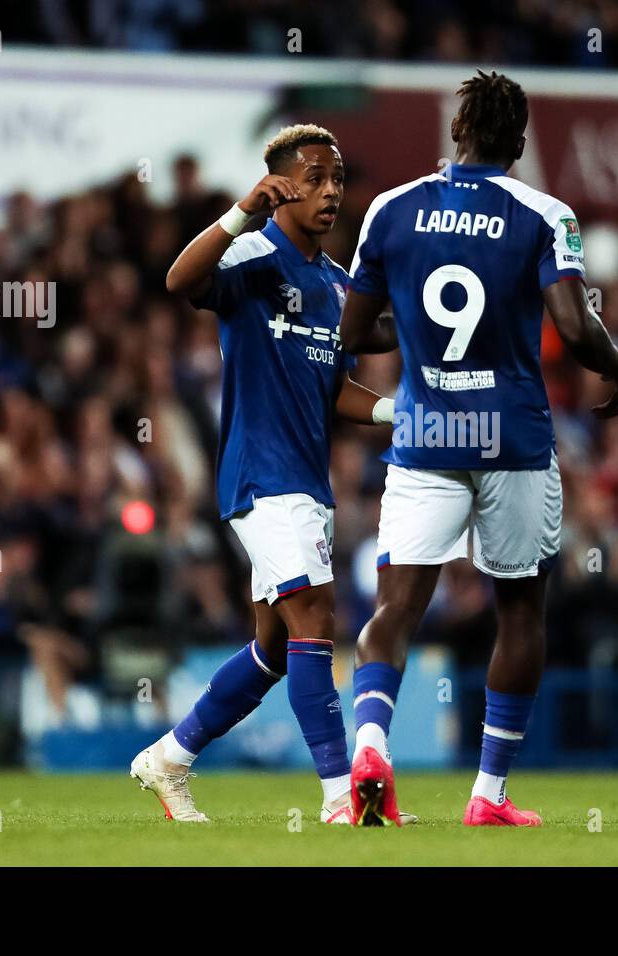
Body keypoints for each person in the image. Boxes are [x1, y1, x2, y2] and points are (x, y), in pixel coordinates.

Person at [339, 71, 618, 826]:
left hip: (429, 431)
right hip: (513, 437)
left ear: (455, 133)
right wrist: (616, 364)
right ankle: (488, 794)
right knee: (520, 612)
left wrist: (410, 333)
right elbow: (572, 327)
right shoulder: (545, 214)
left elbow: (353, 330)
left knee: (395, 611)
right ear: (521, 144)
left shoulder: (390, 210)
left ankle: (370, 747)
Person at [130, 125, 407, 824]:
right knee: (317, 617)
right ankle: (342, 796)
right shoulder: (252, 254)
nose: (331, 192)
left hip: (306, 483)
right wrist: (238, 212)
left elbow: (336, 389)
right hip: (262, 476)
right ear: (279, 185)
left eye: (337, 180)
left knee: (276, 649)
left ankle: (168, 758)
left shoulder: (332, 282)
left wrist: (399, 415)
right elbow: (179, 281)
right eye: (315, 178)